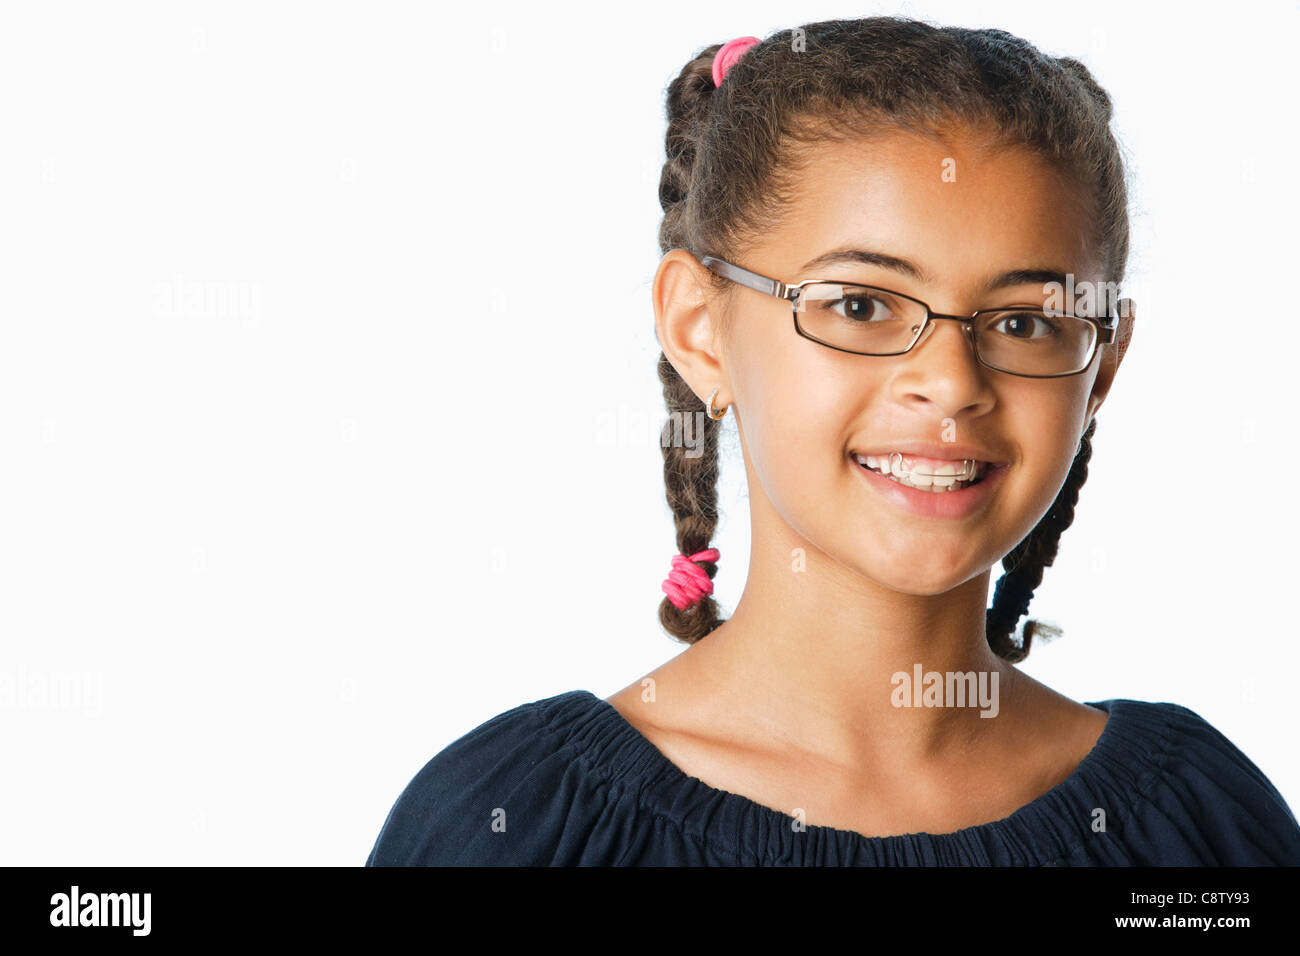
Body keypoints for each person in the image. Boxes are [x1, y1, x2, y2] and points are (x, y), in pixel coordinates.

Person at [366, 16, 1300, 865]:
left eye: (1022, 323)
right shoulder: (518, 831)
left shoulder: (1201, 833)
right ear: (700, 329)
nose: (951, 382)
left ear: (1102, 365)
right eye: (859, 304)